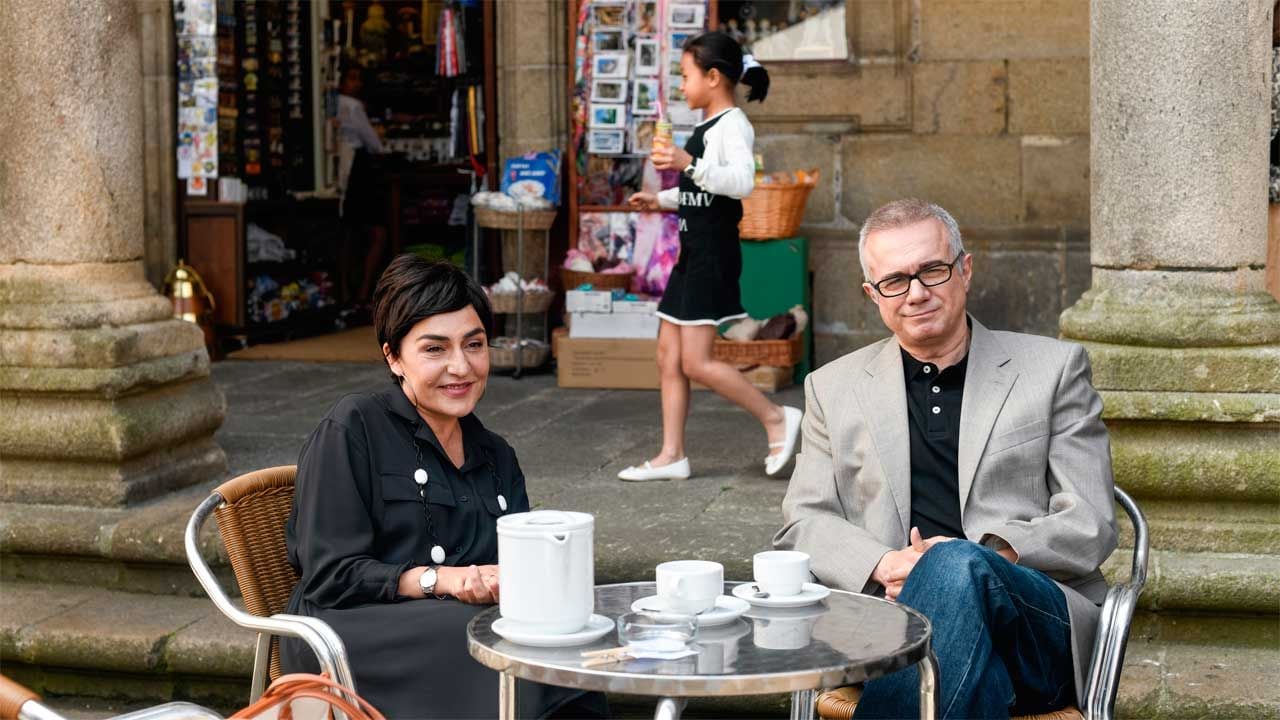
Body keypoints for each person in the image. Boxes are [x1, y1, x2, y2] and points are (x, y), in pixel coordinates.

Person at [774, 199, 1118, 719]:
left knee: (956, 565)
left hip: (1032, 621)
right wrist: (889, 564)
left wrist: (982, 556)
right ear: (873, 295)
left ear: (964, 270)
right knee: (973, 681)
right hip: (889, 625)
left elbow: (1090, 521)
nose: (916, 294)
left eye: (932, 271)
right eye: (894, 281)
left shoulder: (1053, 369)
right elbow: (804, 520)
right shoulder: (833, 387)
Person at [280, 256, 607, 719]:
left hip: (459, 624)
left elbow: (515, 566)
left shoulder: (496, 454)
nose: (461, 366)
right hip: (349, 631)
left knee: (565, 645)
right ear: (393, 356)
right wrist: (442, 580)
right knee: (503, 658)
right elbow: (332, 575)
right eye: (435, 349)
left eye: (474, 344)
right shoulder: (353, 426)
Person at [623, 32, 802, 482]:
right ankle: (672, 455)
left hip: (712, 258)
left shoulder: (732, 125)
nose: (682, 87)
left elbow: (741, 182)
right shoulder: (706, 128)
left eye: (686, 76)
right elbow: (701, 189)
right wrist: (660, 200)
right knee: (668, 355)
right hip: (692, 254)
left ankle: (777, 418)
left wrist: (685, 161)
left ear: (714, 76)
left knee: (695, 361)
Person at [336, 66, 388, 309]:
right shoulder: (352, 106)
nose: (356, 84)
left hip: (341, 172)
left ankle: (345, 291)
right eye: (352, 77)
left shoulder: (331, 103)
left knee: (347, 233)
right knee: (376, 232)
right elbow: (374, 143)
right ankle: (363, 292)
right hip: (359, 171)